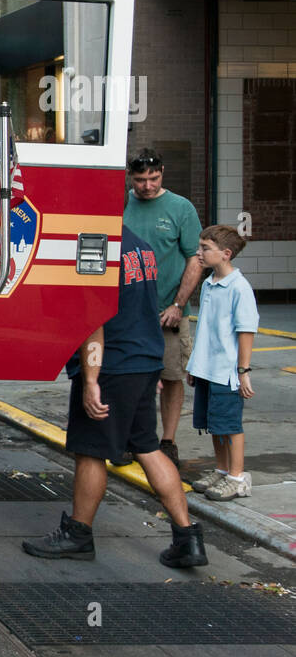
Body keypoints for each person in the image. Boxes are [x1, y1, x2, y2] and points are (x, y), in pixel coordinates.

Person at [22, 226, 207, 568]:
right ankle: (188, 540)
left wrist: (92, 379)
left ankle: (78, 534)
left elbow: (94, 317)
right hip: (142, 359)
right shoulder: (140, 245)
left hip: (111, 364)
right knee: (147, 447)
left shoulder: (96, 245)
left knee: (90, 451)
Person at [122, 148, 204, 468]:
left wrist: (178, 305)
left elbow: (194, 259)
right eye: (141, 180)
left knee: (171, 377)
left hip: (167, 311)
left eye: (153, 178)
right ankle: (133, 438)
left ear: (163, 173)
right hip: (126, 311)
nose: (147, 186)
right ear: (131, 178)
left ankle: (167, 441)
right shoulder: (121, 205)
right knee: (129, 377)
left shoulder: (181, 208)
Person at [186, 225, 258, 501]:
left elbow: (246, 331)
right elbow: (204, 328)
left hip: (227, 371)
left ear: (225, 254)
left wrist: (243, 371)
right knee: (214, 424)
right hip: (207, 368)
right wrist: (195, 364)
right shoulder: (208, 283)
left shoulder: (239, 288)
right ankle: (222, 469)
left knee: (229, 425)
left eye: (205, 248)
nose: (199, 253)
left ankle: (237, 478)